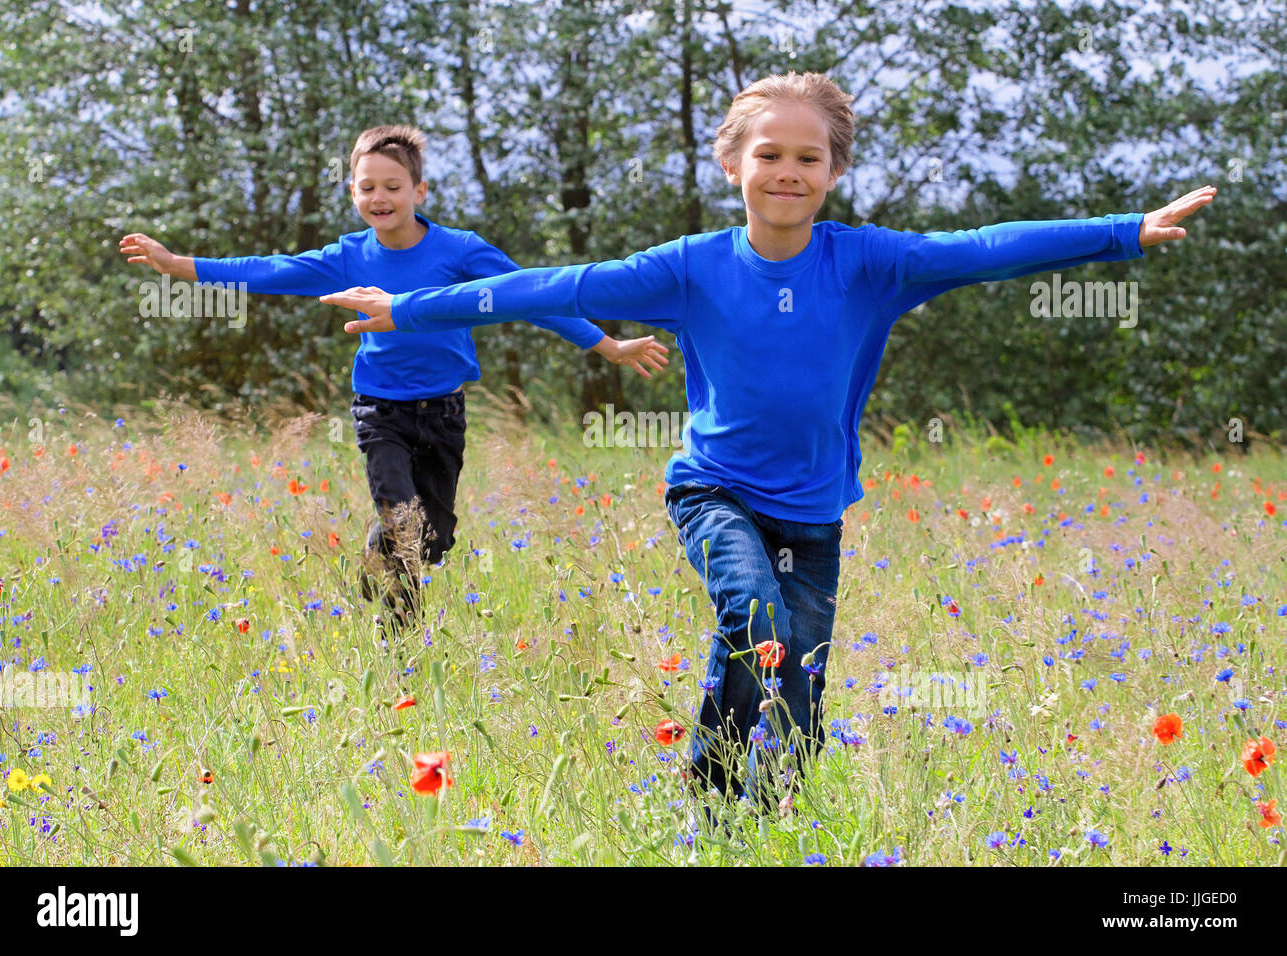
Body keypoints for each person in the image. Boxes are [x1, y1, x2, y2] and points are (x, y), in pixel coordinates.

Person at [317, 74, 1216, 812]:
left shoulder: (870, 262)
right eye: (769, 154)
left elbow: (986, 247)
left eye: (807, 157)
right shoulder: (690, 266)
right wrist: (411, 305)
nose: (787, 171)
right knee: (758, 622)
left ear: (832, 171)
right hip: (714, 489)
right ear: (733, 164)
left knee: (793, 676)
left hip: (816, 508)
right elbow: (550, 286)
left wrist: (1123, 234)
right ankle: (748, 801)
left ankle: (727, 804)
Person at [120, 125, 668, 625]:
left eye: (393, 187)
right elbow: (268, 269)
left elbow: (534, 298)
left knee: (435, 539)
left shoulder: (461, 250)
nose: (379, 198)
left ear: (419, 192)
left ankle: (374, 556)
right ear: (353, 193)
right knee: (403, 524)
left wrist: (607, 343)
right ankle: (399, 641)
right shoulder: (346, 256)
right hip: (380, 410)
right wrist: (178, 266)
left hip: (444, 412)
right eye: (366, 188)